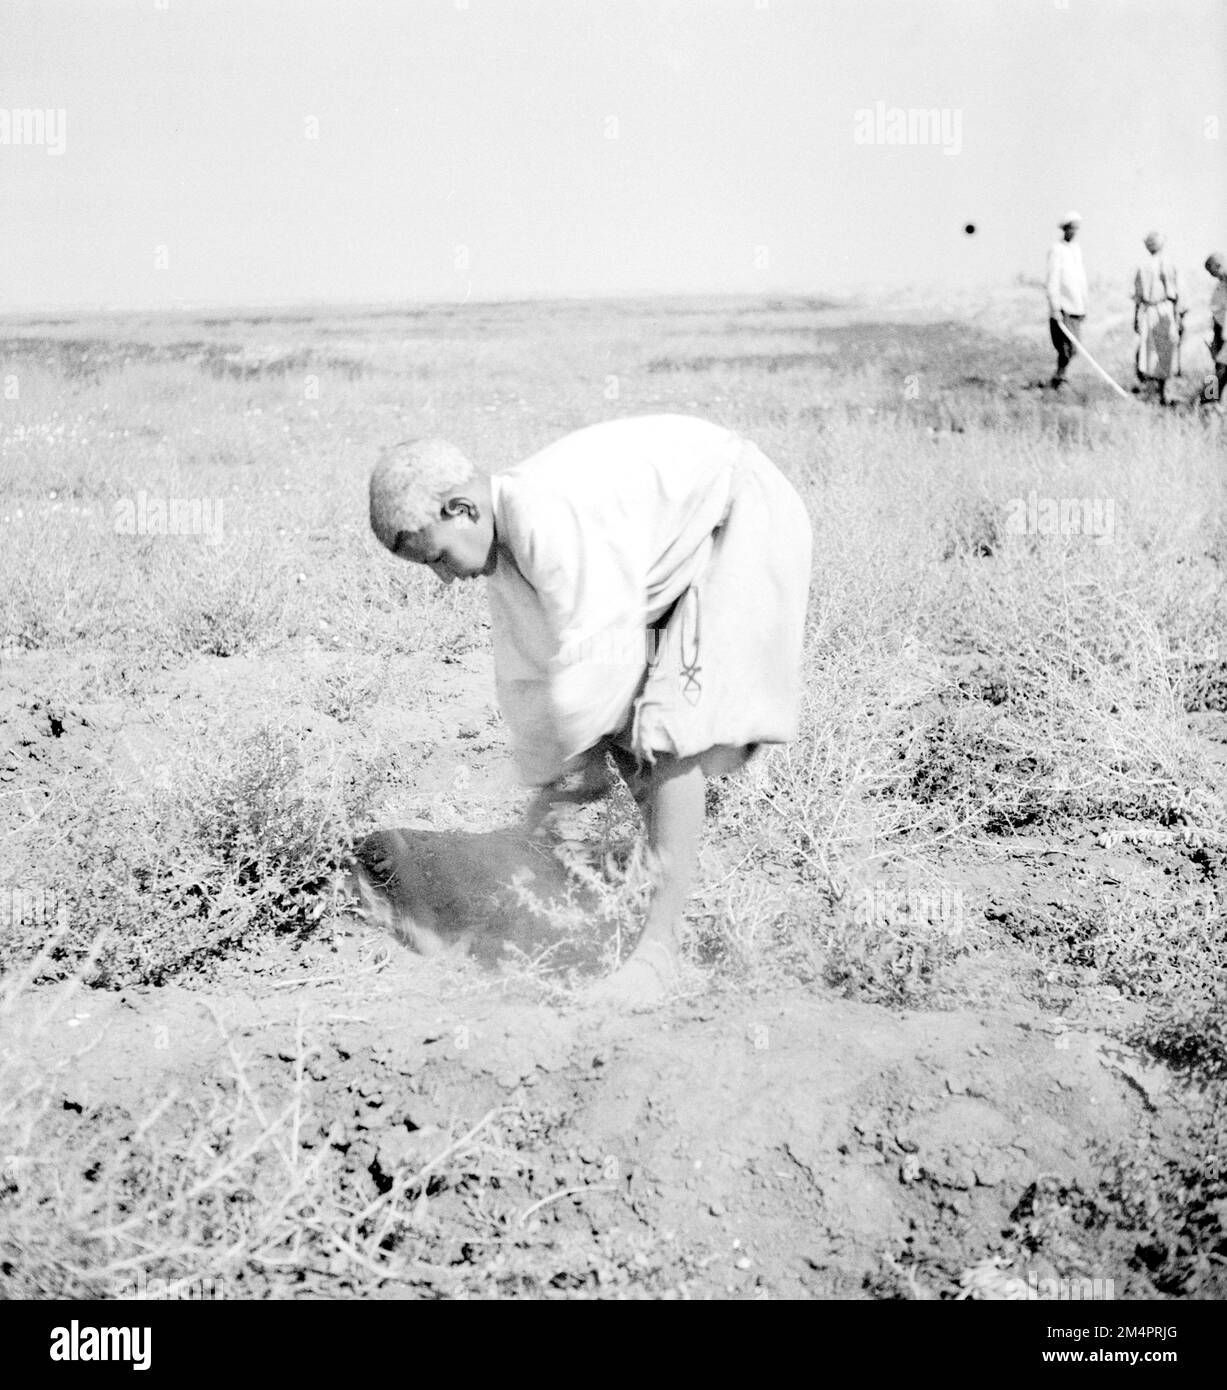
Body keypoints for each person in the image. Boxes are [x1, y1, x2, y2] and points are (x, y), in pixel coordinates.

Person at [368, 415, 812, 1005]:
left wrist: (569, 772)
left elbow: (598, 646)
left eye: (437, 558)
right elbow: (530, 673)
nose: (443, 578)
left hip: (739, 520)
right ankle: (652, 896)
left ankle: (659, 958)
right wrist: (551, 774)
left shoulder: (550, 513)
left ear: (462, 509)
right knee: (627, 732)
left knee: (668, 731)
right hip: (674, 554)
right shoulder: (506, 548)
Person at [1133, 231, 1184, 405]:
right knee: (1159, 352)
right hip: (1160, 309)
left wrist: (1136, 317)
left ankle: (1158, 392)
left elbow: (1138, 298)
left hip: (1155, 310)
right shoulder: (1161, 264)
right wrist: (1178, 316)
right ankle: (1158, 392)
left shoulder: (1150, 265)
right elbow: (1175, 294)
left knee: (1154, 351)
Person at [1045, 212, 1089, 388]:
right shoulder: (1057, 249)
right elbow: (1053, 279)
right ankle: (1060, 378)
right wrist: (1055, 307)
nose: (1074, 232)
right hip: (1063, 306)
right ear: (1065, 229)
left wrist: (1084, 305)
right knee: (1065, 346)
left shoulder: (1076, 249)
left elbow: (1081, 279)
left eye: (1076, 229)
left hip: (1076, 305)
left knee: (1074, 348)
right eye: (1071, 228)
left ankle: (1060, 375)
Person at [1207, 251, 1227, 411]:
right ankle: (1210, 400)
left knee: (1221, 366)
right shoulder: (1221, 283)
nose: (1212, 276)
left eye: (1212, 271)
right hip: (1221, 329)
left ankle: (1209, 400)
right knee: (1219, 367)